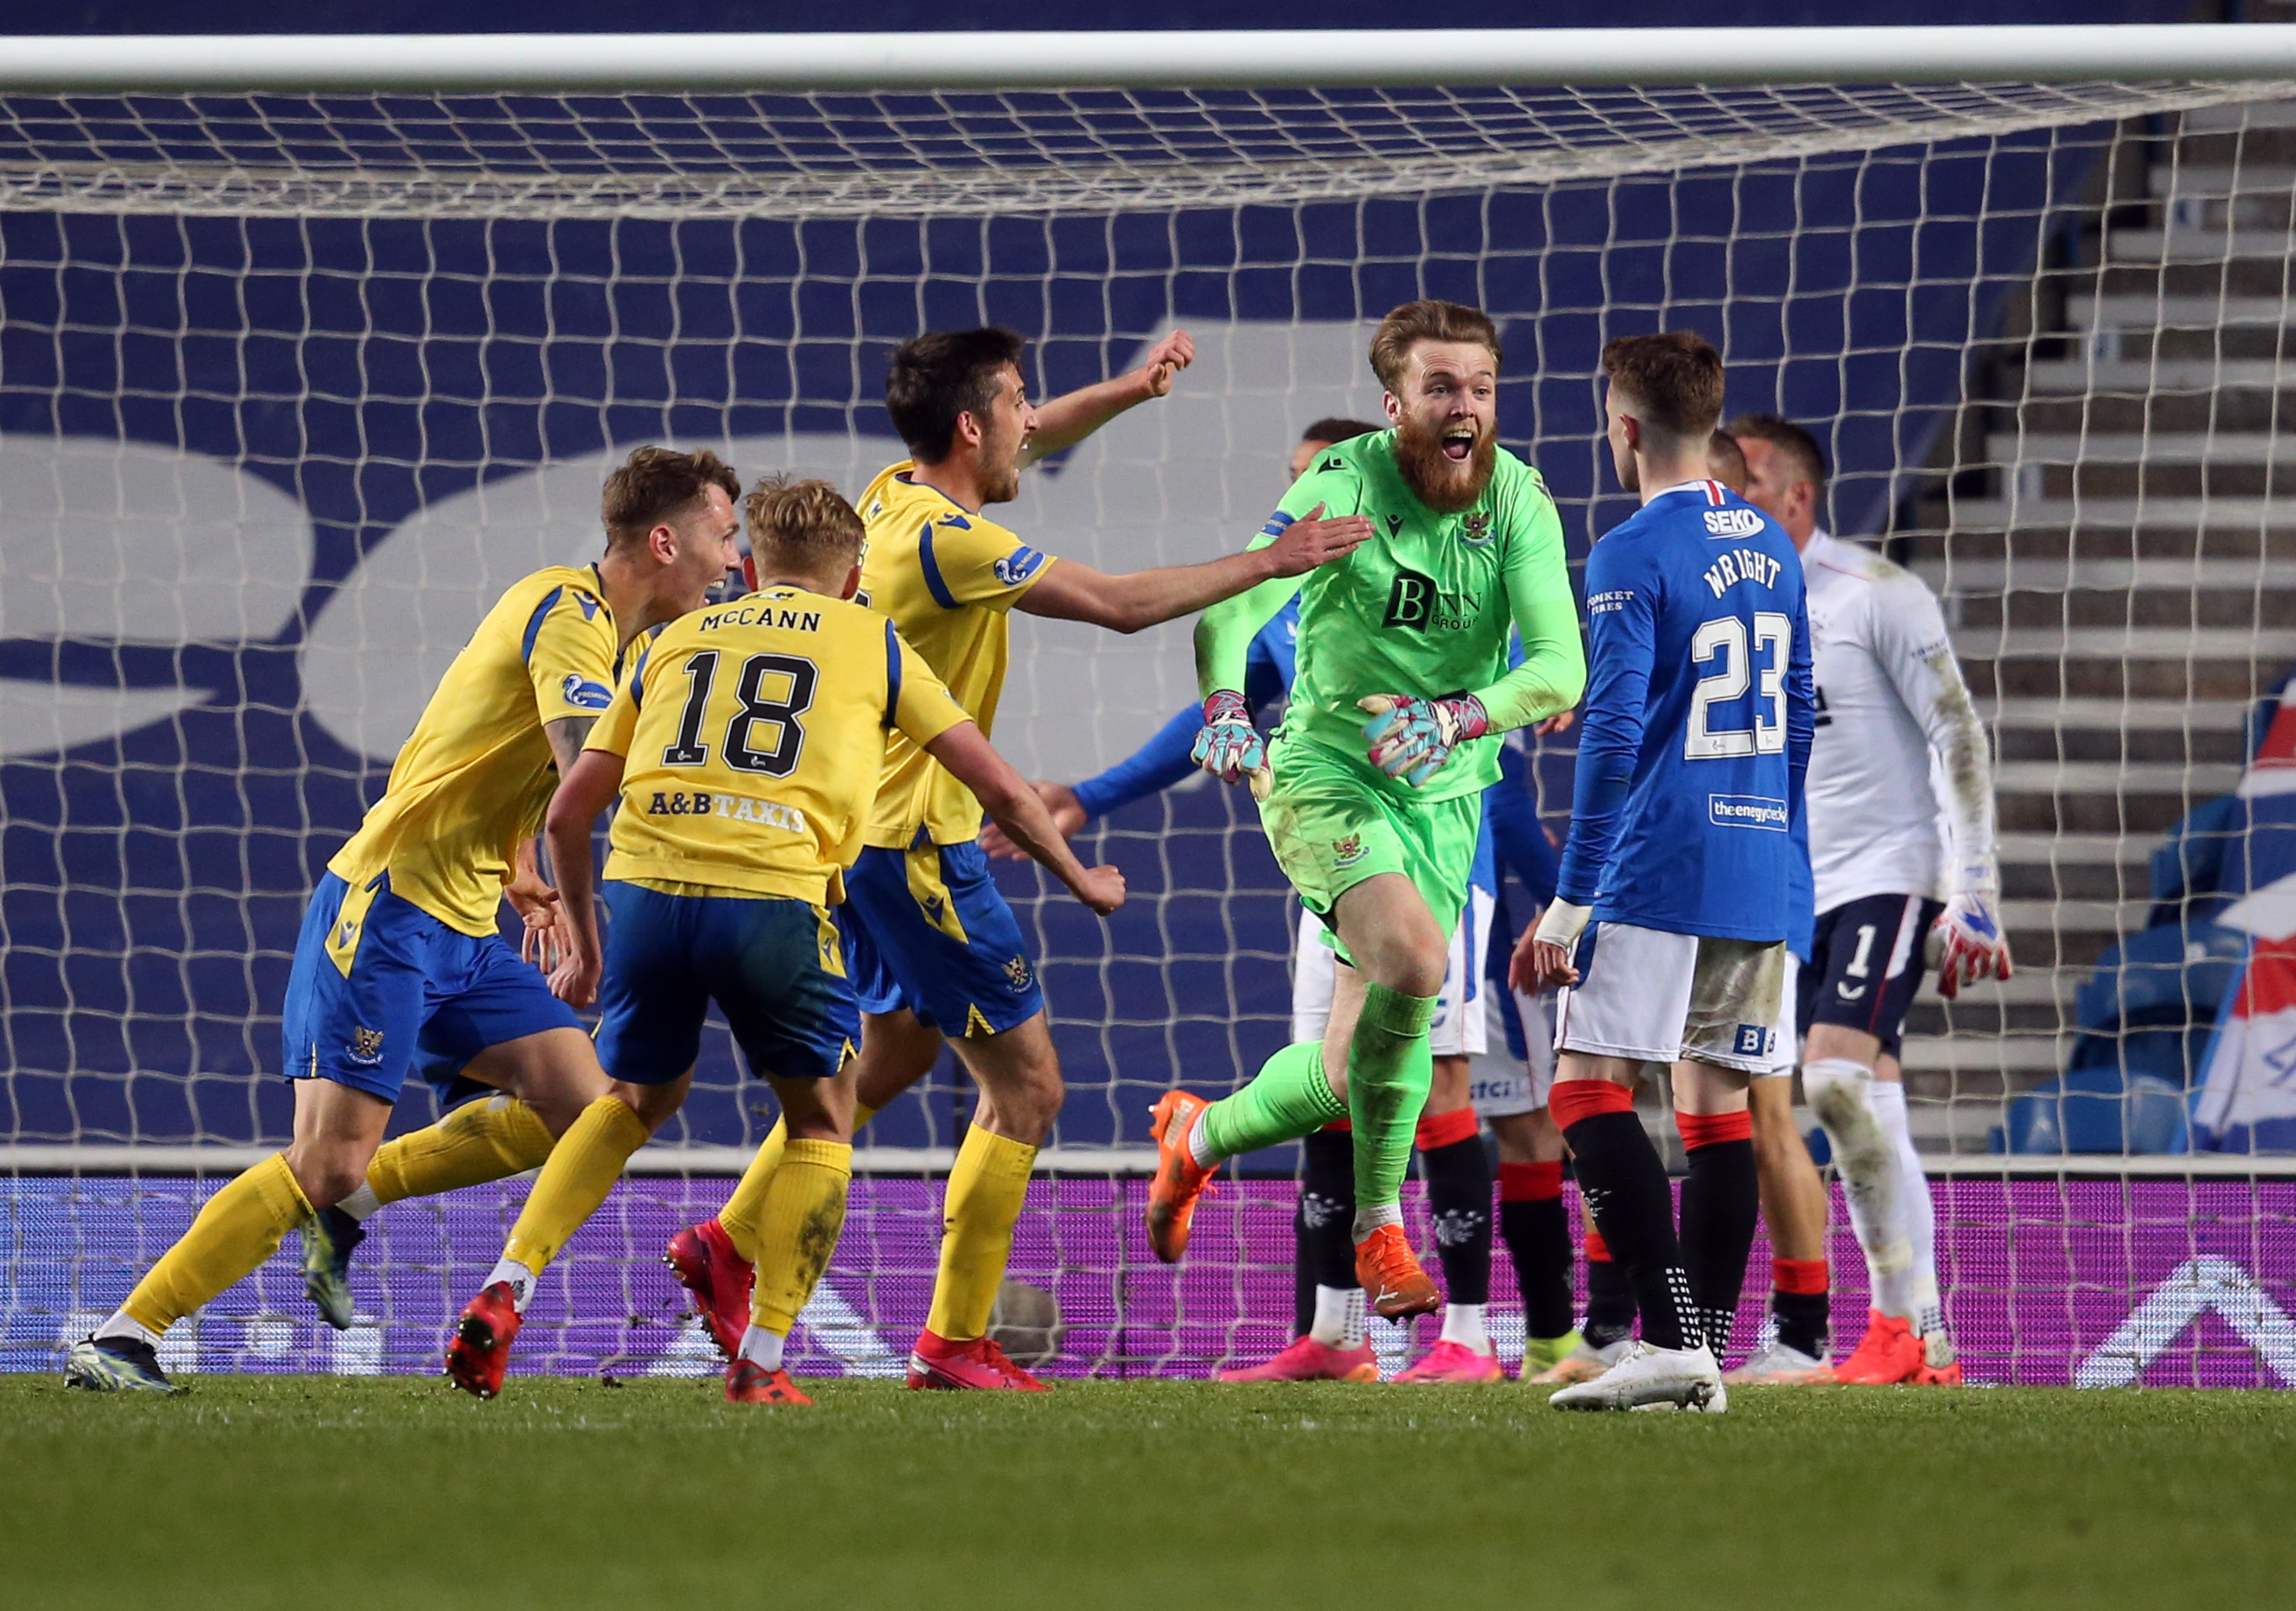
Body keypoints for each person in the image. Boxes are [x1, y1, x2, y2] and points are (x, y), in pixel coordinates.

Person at [661, 329, 1371, 1391]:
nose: (1031, 422)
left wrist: (1130, 392)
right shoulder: (954, 543)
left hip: (864, 837)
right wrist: (1272, 561)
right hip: (918, 851)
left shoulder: (889, 495)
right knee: (1030, 1090)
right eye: (1017, 404)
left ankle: (727, 1242)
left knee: (890, 1059)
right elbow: (1123, 607)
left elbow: (1039, 429)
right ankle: (952, 1341)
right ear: (969, 424)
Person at [66, 446, 743, 1392]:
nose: (731, 560)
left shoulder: (625, 642)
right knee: (325, 1157)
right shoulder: (568, 616)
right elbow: (585, 786)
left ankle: (349, 1209)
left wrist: (516, 875)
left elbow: (463, 755)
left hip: (463, 924)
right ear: (664, 539)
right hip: (386, 911)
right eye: (722, 534)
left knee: (581, 1112)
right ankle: (126, 1334)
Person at [443, 476, 1126, 1404]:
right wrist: (1080, 878)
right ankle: (761, 1363)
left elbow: (566, 812)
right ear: (854, 580)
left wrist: (587, 944)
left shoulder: (672, 641)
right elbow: (1001, 790)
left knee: (631, 1098)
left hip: (646, 892)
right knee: (819, 1119)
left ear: (753, 567)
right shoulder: (871, 640)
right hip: (772, 894)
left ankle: (506, 1286)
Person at [1143, 300, 1586, 1325]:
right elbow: (1234, 606)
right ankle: (1380, 1227)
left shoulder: (1517, 500)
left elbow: (1562, 667)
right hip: (1326, 773)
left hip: (1442, 792)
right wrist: (1221, 702)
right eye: (1440, 388)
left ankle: (1194, 1139)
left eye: (1479, 387)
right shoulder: (1341, 482)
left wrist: (1459, 716)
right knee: (1421, 968)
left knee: (1349, 1072)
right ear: (1395, 406)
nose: (1464, 407)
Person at [1520, 331, 1815, 1414]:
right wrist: (1775, 846)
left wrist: (1569, 894)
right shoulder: (1775, 549)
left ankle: (1676, 1340)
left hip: (1655, 858)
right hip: (1754, 858)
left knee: (1586, 1090)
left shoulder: (1628, 551)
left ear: (1624, 429)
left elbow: (1607, 734)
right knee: (1714, 1102)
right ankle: (1698, 1353)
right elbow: (1798, 724)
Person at [1722, 412, 2010, 1388]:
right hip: (1783, 886)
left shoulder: (1876, 593)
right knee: (1864, 1097)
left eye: (1747, 482)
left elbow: (1956, 734)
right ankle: (1914, 1334)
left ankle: (1900, 1328)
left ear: (1796, 497)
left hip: (1884, 872)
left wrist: (1971, 891)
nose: (1726, 496)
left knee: (1835, 1082)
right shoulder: (1738, 600)